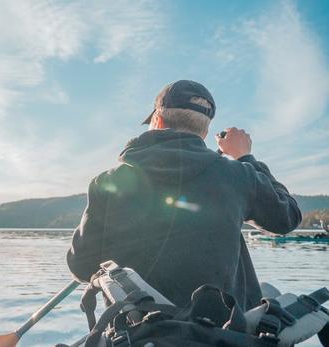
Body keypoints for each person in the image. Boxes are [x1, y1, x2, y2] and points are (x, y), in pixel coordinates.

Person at [66, 80, 301, 310]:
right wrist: (246, 158)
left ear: (157, 120)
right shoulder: (238, 175)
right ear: (206, 131)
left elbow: (82, 266)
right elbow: (287, 218)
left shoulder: (107, 182)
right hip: (221, 330)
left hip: (137, 330)